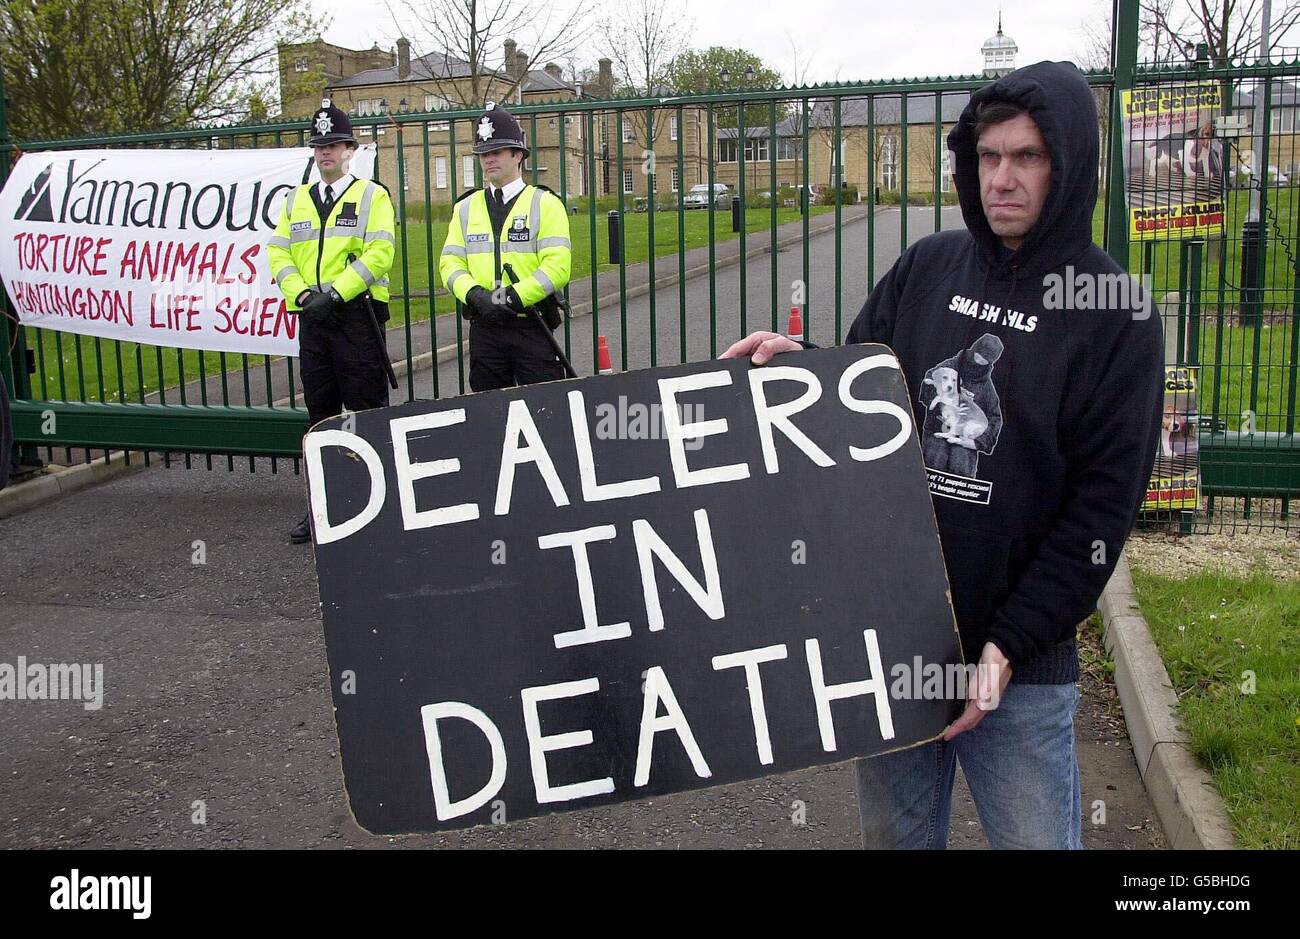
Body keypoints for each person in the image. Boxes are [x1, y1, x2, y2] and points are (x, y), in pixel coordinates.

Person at [723, 61, 1163, 849]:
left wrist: (1006, 648)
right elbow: (864, 405)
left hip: (1019, 670)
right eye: (988, 156)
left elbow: (1100, 513)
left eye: (1026, 156)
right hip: (899, 649)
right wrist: (805, 362)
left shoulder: (1113, 315)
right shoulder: (929, 266)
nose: (1002, 178)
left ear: (1068, 165)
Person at [268, 99, 396, 545]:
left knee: (366, 416)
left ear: (351, 150)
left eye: (335, 145)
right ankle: (321, 510)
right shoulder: (296, 199)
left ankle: (378, 509)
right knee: (320, 418)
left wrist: (336, 292)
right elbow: (278, 252)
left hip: (356, 319)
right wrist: (302, 295)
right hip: (314, 323)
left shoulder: (371, 196)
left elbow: (380, 253)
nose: (325, 153)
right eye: (319, 146)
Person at [438, 102, 572, 392]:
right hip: (484, 327)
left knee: (545, 408)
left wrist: (511, 298)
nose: (489, 159)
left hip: (530, 324)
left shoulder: (545, 203)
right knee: (487, 414)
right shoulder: (465, 207)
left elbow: (557, 267)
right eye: (484, 154)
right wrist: (474, 294)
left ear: (518, 154)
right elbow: (449, 263)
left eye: (496, 152)